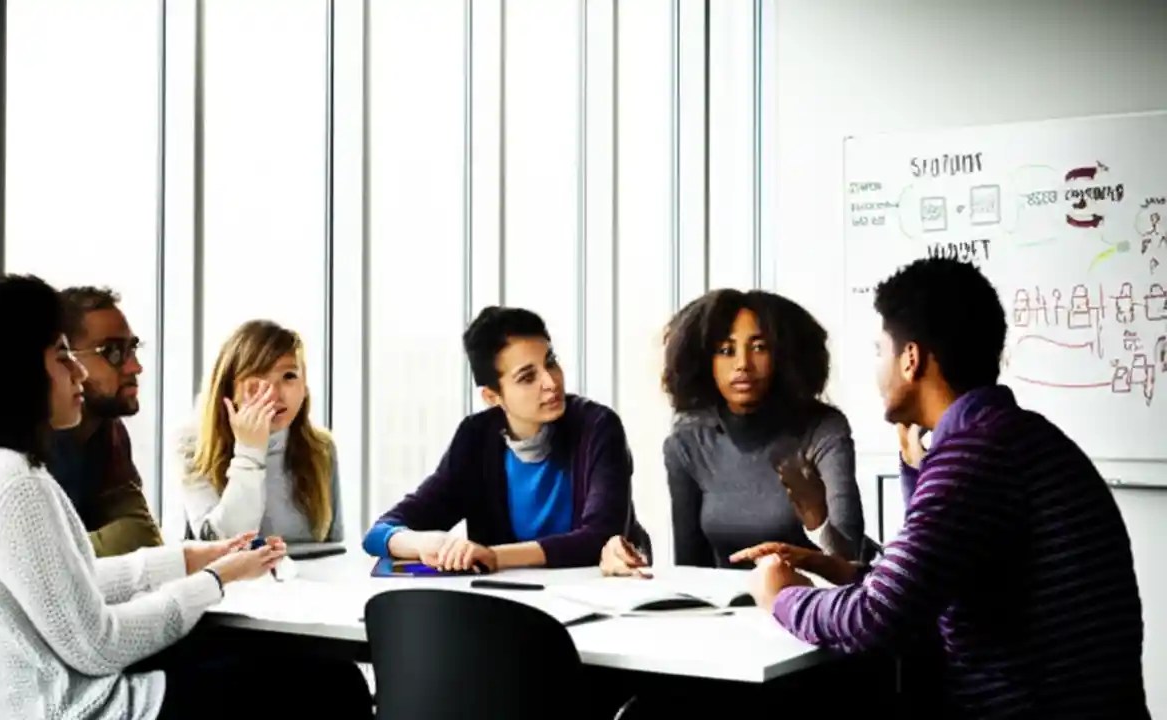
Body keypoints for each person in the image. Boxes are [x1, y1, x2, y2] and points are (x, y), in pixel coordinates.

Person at [0, 275, 372, 719]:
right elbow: (96, 645)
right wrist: (214, 580)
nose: (76, 375)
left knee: (280, 673)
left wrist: (187, 559)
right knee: (330, 685)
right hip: (87, 713)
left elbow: (71, 585)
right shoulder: (14, 484)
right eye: (62, 358)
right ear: (21, 374)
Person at [744, 258, 1149, 718]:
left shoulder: (975, 455)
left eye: (880, 351)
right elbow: (926, 585)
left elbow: (876, 620)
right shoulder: (1012, 436)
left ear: (911, 359)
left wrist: (782, 595)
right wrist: (841, 569)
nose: (877, 371)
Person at [362, 305, 649, 572]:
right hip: (508, 606)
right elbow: (378, 533)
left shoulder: (597, 425)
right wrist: (425, 544)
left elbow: (600, 537)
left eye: (551, 363)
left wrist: (494, 556)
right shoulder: (475, 438)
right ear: (492, 396)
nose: (551, 382)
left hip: (599, 600)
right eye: (527, 377)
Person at [600, 289, 863, 577]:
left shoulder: (823, 429)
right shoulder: (688, 441)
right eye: (726, 350)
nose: (742, 364)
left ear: (783, 356)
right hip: (729, 610)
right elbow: (691, 567)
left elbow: (849, 562)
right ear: (705, 361)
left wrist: (817, 520)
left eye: (759, 347)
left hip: (813, 606)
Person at [181, 320, 344, 544]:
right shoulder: (192, 445)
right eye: (258, 380)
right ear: (229, 389)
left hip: (304, 578)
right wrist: (249, 452)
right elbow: (223, 543)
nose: (275, 395)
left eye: (288, 377)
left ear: (304, 387)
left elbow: (334, 546)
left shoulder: (321, 447)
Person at [47, 286, 163, 557]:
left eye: (132, 349)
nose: (135, 367)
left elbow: (141, 534)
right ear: (65, 359)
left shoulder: (108, 431)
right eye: (113, 352)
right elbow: (39, 563)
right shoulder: (21, 447)